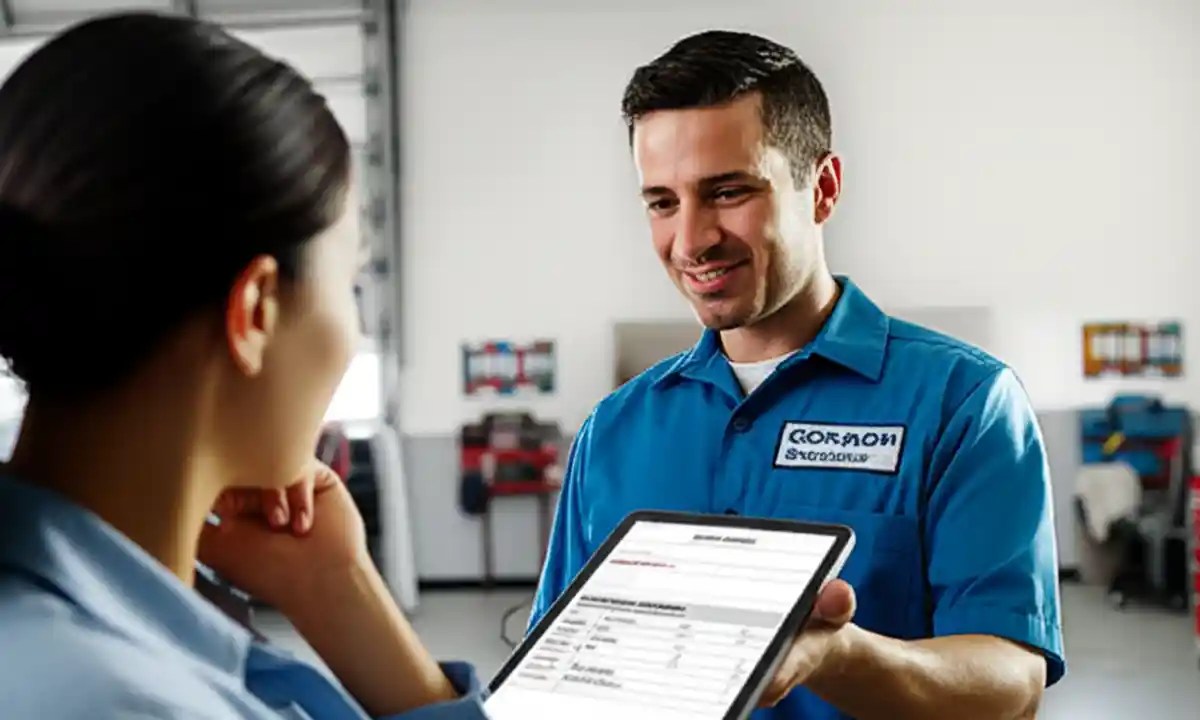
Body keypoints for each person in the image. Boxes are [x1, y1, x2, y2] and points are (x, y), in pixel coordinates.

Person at [529, 30, 1065, 720]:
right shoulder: (616, 429)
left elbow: (1009, 681)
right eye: (662, 203)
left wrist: (841, 658)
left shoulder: (963, 404)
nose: (691, 241)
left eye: (727, 192)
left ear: (824, 187)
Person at [0, 13, 485, 719]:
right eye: (348, 282)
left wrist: (334, 583)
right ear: (256, 309)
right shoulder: (119, 698)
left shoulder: (84, 631)